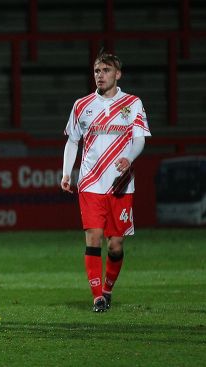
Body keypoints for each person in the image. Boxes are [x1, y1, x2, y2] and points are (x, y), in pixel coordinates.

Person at [60, 51, 151, 312]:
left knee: (115, 244)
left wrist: (129, 159)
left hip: (121, 184)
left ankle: (108, 290)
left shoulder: (132, 103)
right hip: (90, 182)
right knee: (94, 237)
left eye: (106, 70)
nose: (100, 75)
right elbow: (72, 140)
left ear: (117, 74)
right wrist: (67, 172)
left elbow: (139, 139)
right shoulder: (82, 105)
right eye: (97, 71)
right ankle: (97, 296)